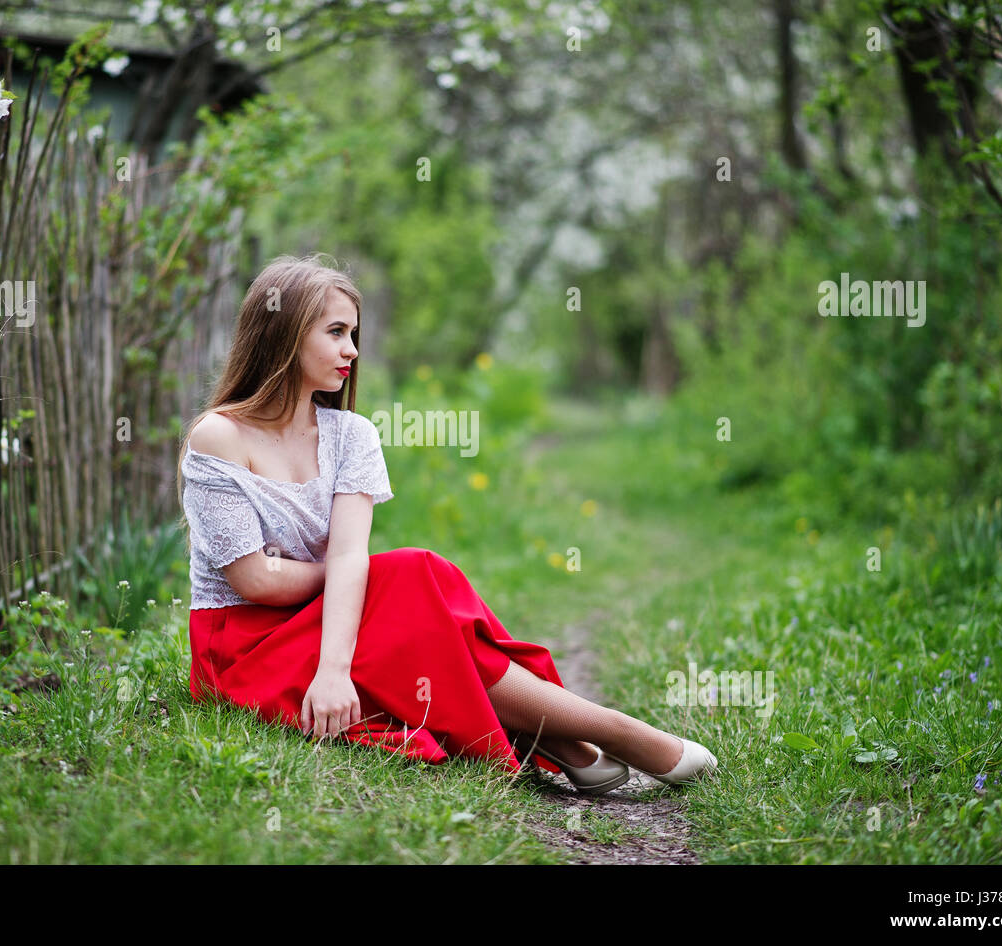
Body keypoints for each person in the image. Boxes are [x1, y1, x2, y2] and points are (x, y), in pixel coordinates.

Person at [177, 253, 717, 796]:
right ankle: (605, 733)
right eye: (336, 332)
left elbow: (348, 556)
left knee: (414, 581)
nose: (352, 350)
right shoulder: (220, 437)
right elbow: (256, 580)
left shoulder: (351, 435)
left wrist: (354, 585)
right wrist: (355, 597)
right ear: (284, 332)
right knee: (411, 576)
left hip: (325, 621)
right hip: (245, 642)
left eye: (354, 333)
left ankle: (579, 734)